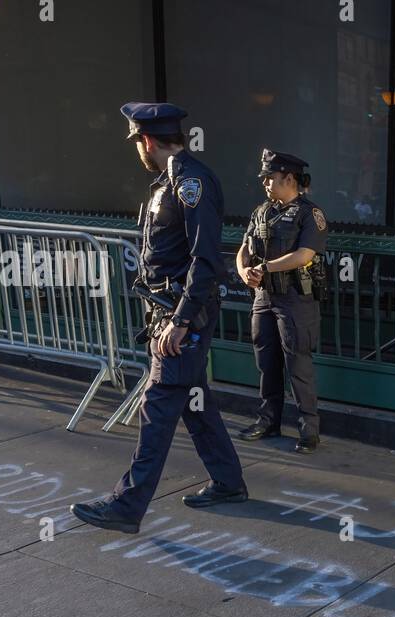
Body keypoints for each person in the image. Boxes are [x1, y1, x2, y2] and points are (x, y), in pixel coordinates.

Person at [70, 102, 247, 535]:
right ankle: (228, 482)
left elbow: (205, 260)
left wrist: (181, 320)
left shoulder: (191, 184)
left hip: (180, 316)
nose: (138, 150)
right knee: (193, 400)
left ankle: (126, 505)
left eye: (137, 143)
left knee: (159, 403)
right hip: (167, 312)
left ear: (146, 140)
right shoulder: (166, 183)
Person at [236, 149, 328, 453]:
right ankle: (268, 420)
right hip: (264, 297)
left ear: (290, 178)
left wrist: (265, 268)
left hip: (294, 299)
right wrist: (243, 271)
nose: (265, 183)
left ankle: (308, 430)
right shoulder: (262, 211)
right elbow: (244, 248)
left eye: (270, 178)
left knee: (297, 364)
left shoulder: (308, 214)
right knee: (266, 362)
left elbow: (305, 255)